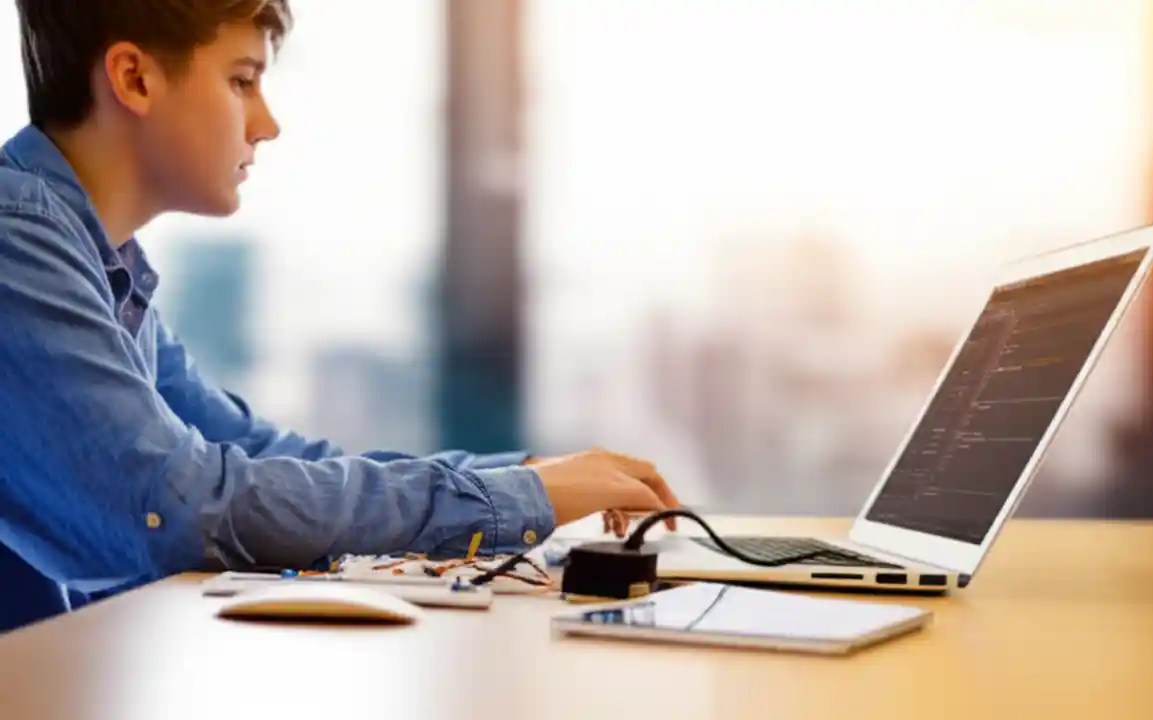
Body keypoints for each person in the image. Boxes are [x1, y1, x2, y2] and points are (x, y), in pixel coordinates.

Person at [0, 0, 678, 632]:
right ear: (134, 78)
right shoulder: (18, 236)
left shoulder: (97, 259)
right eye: (242, 80)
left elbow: (260, 455)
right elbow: (181, 507)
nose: (266, 123)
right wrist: (515, 495)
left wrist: (524, 474)